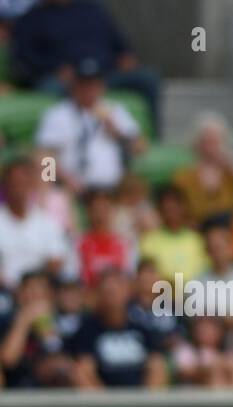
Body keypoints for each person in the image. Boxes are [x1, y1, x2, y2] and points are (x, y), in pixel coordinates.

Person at [12, 0, 161, 133]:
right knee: (51, 88)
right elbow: (26, 60)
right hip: (69, 80)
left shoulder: (92, 9)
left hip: (106, 74)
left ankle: (154, 137)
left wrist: (125, 55)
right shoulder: (30, 19)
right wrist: (54, 69)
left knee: (147, 78)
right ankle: (69, 139)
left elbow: (119, 42)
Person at [34, 58, 145, 193]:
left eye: (93, 84)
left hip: (111, 190)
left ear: (102, 86)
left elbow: (140, 148)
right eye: (83, 84)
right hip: (70, 189)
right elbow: (44, 157)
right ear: (73, 85)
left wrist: (118, 133)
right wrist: (57, 182)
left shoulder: (113, 111)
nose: (88, 89)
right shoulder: (57, 114)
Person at [66, 267, 166, 388]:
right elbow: (83, 371)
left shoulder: (142, 328)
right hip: (103, 401)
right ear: (98, 294)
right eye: (107, 291)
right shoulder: (87, 330)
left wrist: (144, 403)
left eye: (116, 290)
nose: (112, 296)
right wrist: (109, 404)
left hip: (141, 399)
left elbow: (156, 365)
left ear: (128, 291)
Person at [172, 115, 233, 224]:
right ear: (196, 143)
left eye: (215, 141)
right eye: (206, 141)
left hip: (231, 229)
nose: (211, 147)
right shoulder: (184, 176)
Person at [0, 156, 70, 290]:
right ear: (6, 186)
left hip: (39, 290)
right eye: (14, 183)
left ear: (31, 185)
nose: (18, 188)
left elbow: (56, 259)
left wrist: (35, 285)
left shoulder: (47, 222)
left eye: (23, 183)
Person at [0, 269, 74, 388]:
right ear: (20, 294)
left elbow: (72, 363)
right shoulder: (5, 321)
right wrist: (23, 322)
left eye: (40, 290)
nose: (34, 295)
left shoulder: (65, 321)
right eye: (30, 290)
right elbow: (8, 360)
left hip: (57, 392)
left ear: (50, 295)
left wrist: (49, 333)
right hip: (15, 391)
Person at [138, 185, 209, 295]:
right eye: (167, 208)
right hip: (161, 300)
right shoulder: (149, 241)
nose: (171, 212)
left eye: (174, 207)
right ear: (160, 211)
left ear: (183, 208)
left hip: (196, 299)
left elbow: (205, 273)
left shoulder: (196, 240)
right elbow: (146, 277)